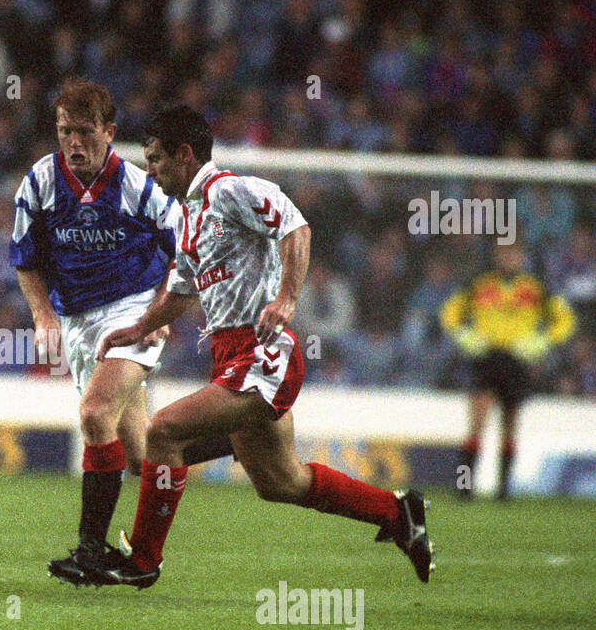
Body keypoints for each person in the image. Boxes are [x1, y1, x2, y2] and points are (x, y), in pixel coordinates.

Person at [80, 104, 434, 588]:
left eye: (157, 159)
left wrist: (287, 297)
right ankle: (397, 514)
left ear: (185, 155)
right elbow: (181, 294)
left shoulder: (231, 190)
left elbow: (296, 226)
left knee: (162, 433)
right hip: (230, 357)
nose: (150, 170)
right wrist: (138, 329)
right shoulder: (187, 218)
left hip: (263, 355)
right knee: (280, 483)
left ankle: (142, 562)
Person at [10, 79, 183, 584]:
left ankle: (90, 551)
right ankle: (229, 438)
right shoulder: (40, 183)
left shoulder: (137, 185)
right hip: (77, 321)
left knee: (94, 413)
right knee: (142, 455)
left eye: (86, 131)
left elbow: (184, 251)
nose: (75, 143)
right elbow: (26, 259)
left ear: (110, 132)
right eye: (66, 131)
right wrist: (43, 317)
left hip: (130, 315)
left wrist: (156, 315)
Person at [439, 242, 576, 499]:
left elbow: (564, 319)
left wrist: (542, 341)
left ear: (522, 256)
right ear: (496, 255)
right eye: (504, 253)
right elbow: (450, 312)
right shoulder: (479, 284)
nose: (509, 258)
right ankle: (465, 487)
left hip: (517, 359)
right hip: (487, 356)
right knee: (477, 420)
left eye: (514, 253)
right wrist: (465, 336)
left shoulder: (536, 287)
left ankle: (503, 489)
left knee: (510, 423)